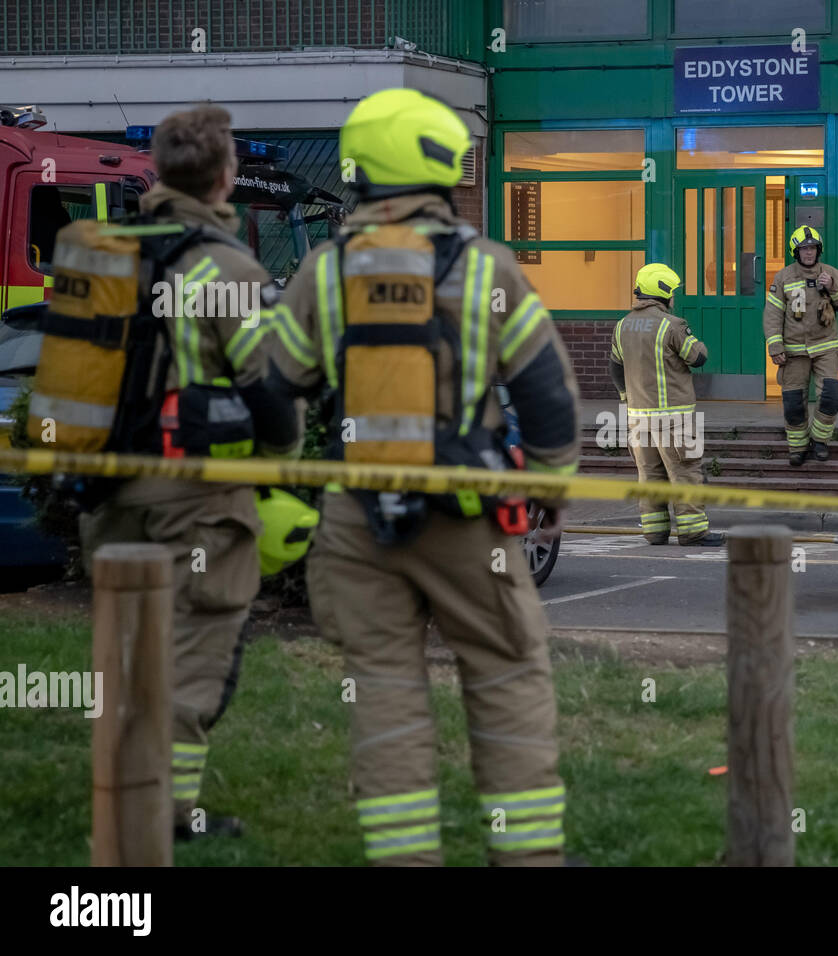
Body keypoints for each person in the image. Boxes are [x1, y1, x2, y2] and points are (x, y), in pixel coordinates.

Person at [277, 88, 580, 866]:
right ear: (443, 167)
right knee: (507, 672)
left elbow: (274, 386)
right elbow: (548, 399)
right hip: (470, 519)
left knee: (383, 689)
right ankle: (528, 857)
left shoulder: (323, 269)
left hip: (354, 520)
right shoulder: (487, 268)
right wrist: (546, 491)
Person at [74, 105, 306, 837]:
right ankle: (164, 816)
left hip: (107, 491)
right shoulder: (228, 267)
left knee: (124, 649)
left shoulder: (101, 250)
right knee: (193, 651)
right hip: (196, 499)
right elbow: (269, 391)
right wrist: (280, 465)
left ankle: (117, 788)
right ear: (224, 178)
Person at [610, 263, 721, 546]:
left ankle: (655, 531)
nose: (674, 297)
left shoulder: (622, 326)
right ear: (663, 293)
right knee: (685, 473)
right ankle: (693, 531)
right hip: (674, 417)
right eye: (672, 292)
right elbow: (698, 357)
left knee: (649, 476)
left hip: (637, 417)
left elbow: (615, 367)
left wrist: (625, 398)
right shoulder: (672, 326)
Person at [763, 225, 838, 465]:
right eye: (804, 249)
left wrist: (832, 286)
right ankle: (798, 447)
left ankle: (821, 441)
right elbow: (772, 314)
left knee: (832, 395)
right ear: (796, 252)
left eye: (812, 248)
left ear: (818, 250)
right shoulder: (783, 277)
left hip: (826, 347)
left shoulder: (832, 273)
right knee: (793, 402)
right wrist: (775, 346)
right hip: (794, 351)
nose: (809, 253)